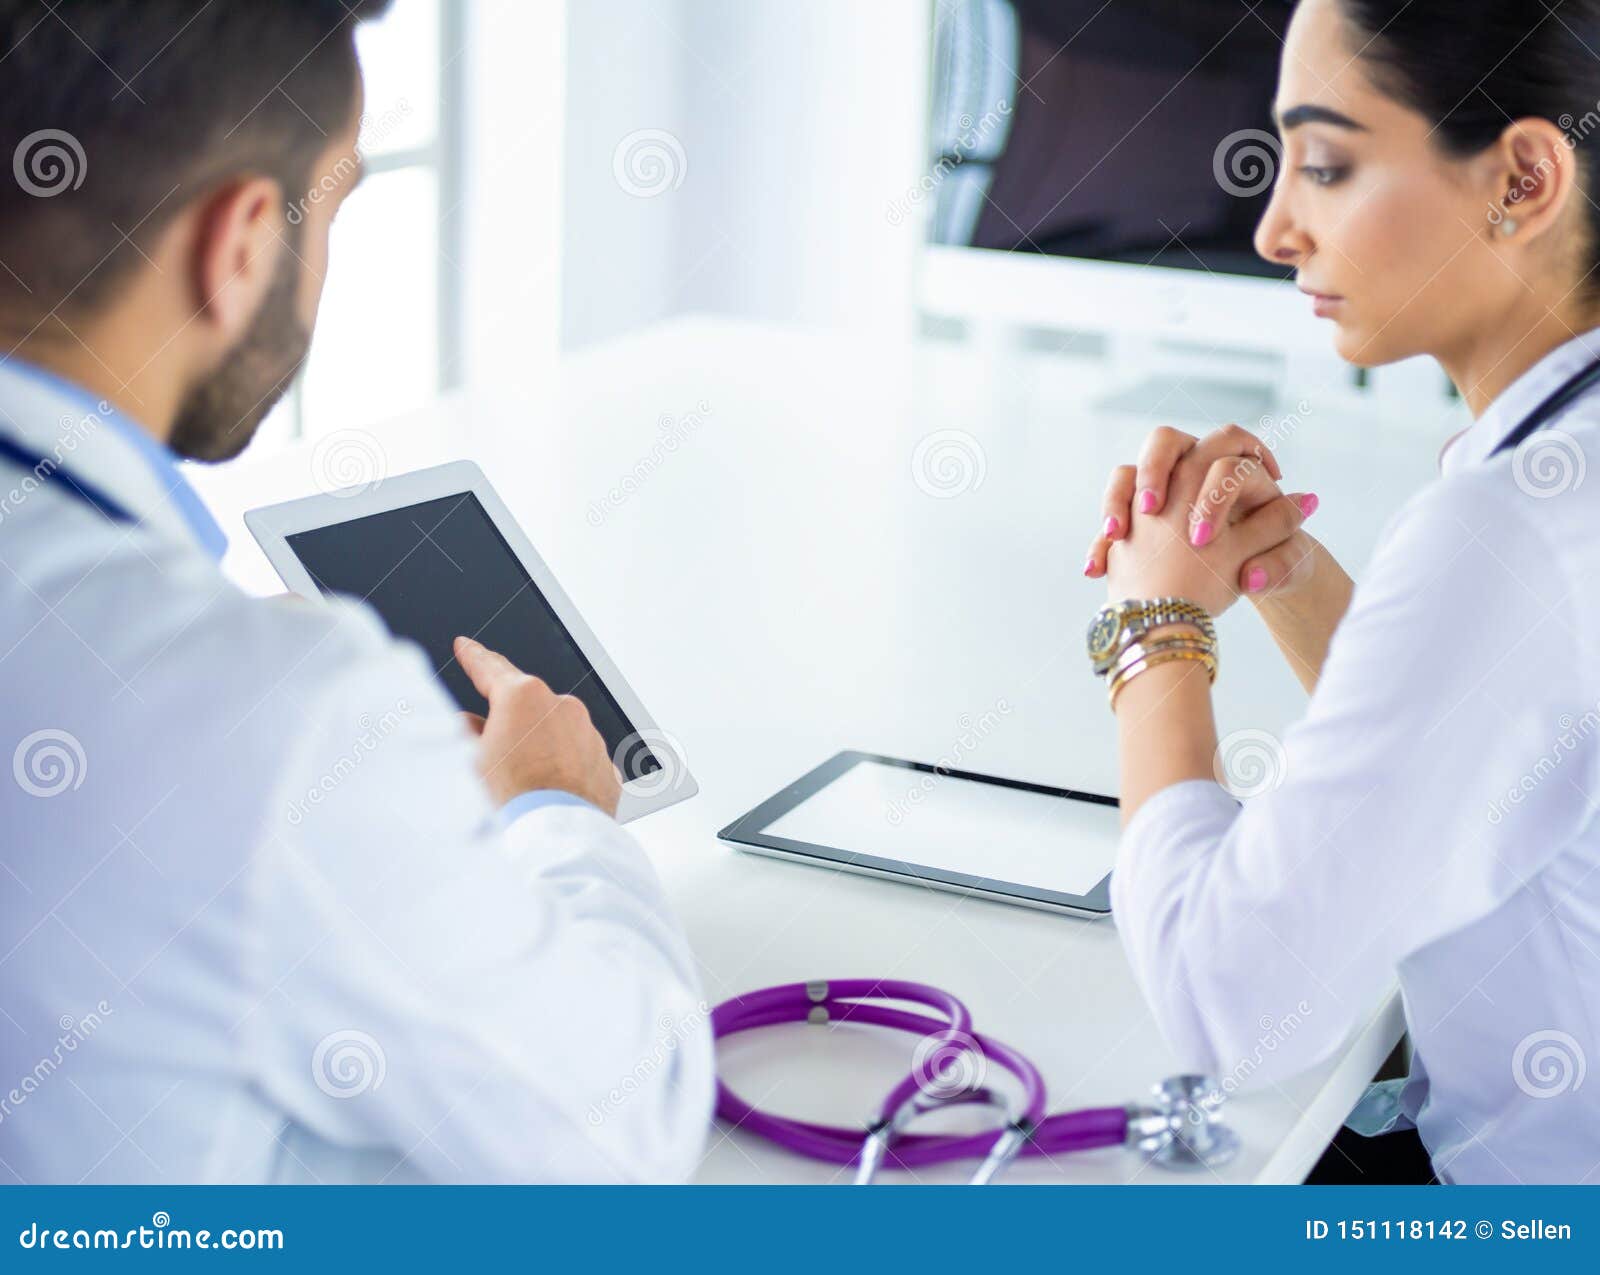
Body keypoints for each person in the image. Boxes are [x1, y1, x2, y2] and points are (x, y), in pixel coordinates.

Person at [0, 1, 711, 1183]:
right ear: (236, 246)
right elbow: (624, 1133)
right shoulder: (263, 715)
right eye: (331, 207)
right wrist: (558, 814)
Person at [1078, 0, 1600, 1184]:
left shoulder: (1508, 525)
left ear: (1520, 178)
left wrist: (1150, 627)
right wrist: (1284, 573)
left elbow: (1231, 1010)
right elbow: (1509, 750)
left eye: (1322, 164)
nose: (1272, 232)